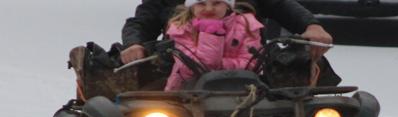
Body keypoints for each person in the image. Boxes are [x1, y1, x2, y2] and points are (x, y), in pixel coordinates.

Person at [120, 0, 333, 64]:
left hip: (252, 75)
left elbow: (281, 5)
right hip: (179, 76)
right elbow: (142, 21)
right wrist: (134, 44)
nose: (209, 9)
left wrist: (311, 26)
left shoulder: (244, 17)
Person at [164, 1, 264, 91]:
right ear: (192, 6)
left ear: (227, 5)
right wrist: (211, 32)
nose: (209, 9)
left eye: (217, 3)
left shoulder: (246, 25)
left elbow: (250, 64)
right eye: (201, 3)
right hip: (188, 91)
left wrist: (218, 65)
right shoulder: (182, 28)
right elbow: (189, 70)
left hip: (239, 91)